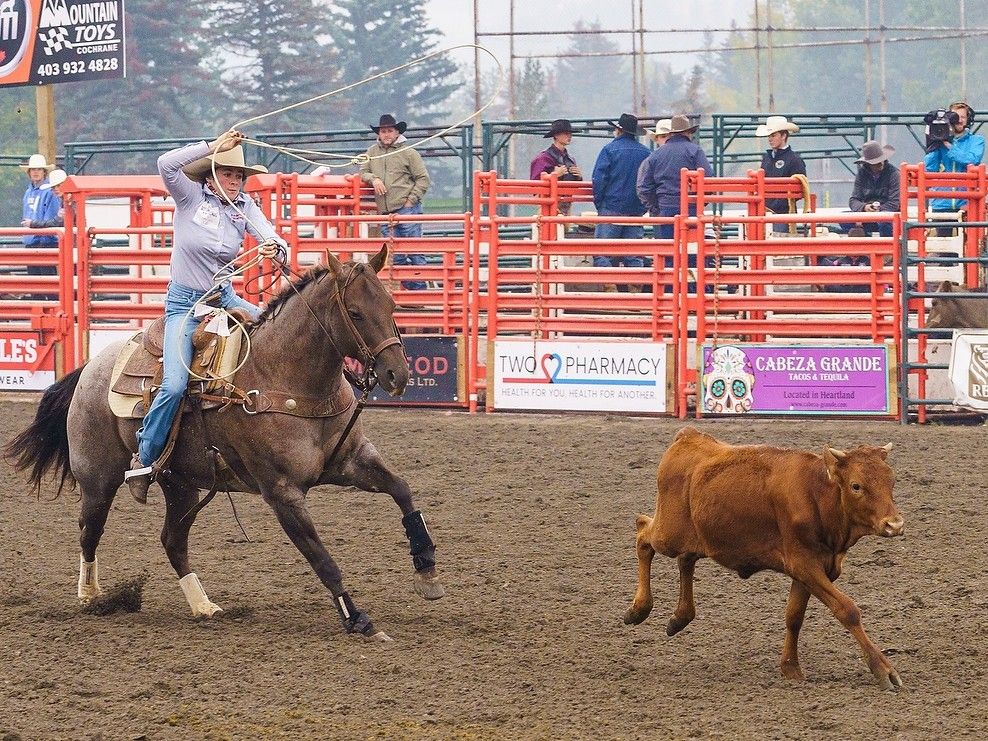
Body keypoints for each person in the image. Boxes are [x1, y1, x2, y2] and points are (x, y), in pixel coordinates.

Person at [124, 130, 287, 503]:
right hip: (184, 304)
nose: (235, 180)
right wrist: (212, 146)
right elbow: (166, 163)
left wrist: (275, 248)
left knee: (277, 330)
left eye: (239, 175)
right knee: (174, 385)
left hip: (223, 297)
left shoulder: (244, 206)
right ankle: (145, 457)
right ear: (211, 176)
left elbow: (274, 237)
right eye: (228, 173)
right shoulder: (190, 197)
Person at [360, 113, 431, 290]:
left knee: (414, 252)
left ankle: (419, 291)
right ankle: (415, 289)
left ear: (397, 132)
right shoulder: (372, 152)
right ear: (379, 133)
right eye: (383, 131)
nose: (386, 134)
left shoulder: (408, 152)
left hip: (406, 209)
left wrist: (410, 200)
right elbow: (363, 172)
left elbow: (423, 178)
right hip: (386, 212)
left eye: (389, 131)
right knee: (395, 256)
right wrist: (374, 179)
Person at [591, 113, 651, 290]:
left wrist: (600, 204)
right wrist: (643, 205)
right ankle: (635, 290)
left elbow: (599, 179)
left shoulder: (609, 150)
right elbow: (649, 182)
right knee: (634, 253)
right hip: (635, 210)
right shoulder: (645, 153)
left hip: (611, 207)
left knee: (603, 252)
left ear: (618, 130)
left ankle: (609, 288)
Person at [923, 101, 985, 215]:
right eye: (955, 117)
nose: (959, 120)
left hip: (967, 203)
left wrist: (949, 146)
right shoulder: (940, 142)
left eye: (963, 117)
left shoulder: (977, 140)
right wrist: (933, 144)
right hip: (941, 202)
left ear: (968, 120)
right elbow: (929, 169)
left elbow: (972, 160)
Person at [755, 115, 806, 230]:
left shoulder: (794, 160)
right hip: (765, 211)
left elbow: (799, 189)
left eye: (773, 135)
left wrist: (776, 204)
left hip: (783, 214)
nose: (770, 139)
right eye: (769, 136)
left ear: (784, 136)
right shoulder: (767, 158)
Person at [19, 154, 60, 286]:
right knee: (35, 283)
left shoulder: (49, 191)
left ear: (44, 172)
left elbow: (52, 220)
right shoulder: (28, 192)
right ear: (29, 172)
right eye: (33, 169)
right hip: (31, 241)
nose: (35, 172)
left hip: (45, 242)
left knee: (47, 283)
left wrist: (33, 225)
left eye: (39, 169)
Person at [848, 140, 900, 238]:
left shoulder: (894, 174)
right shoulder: (862, 174)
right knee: (845, 221)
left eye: (881, 160)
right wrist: (864, 207)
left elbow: (894, 203)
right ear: (868, 163)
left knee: (885, 222)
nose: (880, 163)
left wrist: (878, 210)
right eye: (876, 162)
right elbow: (853, 200)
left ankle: (887, 246)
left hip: (887, 213)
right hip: (867, 214)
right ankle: (864, 245)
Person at [530, 119, 582, 215]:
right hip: (548, 204)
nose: (569, 136)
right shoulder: (543, 158)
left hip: (567, 204)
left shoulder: (570, 159)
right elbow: (535, 185)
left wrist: (578, 177)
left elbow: (575, 186)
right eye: (566, 133)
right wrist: (554, 175)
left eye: (570, 134)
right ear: (556, 135)